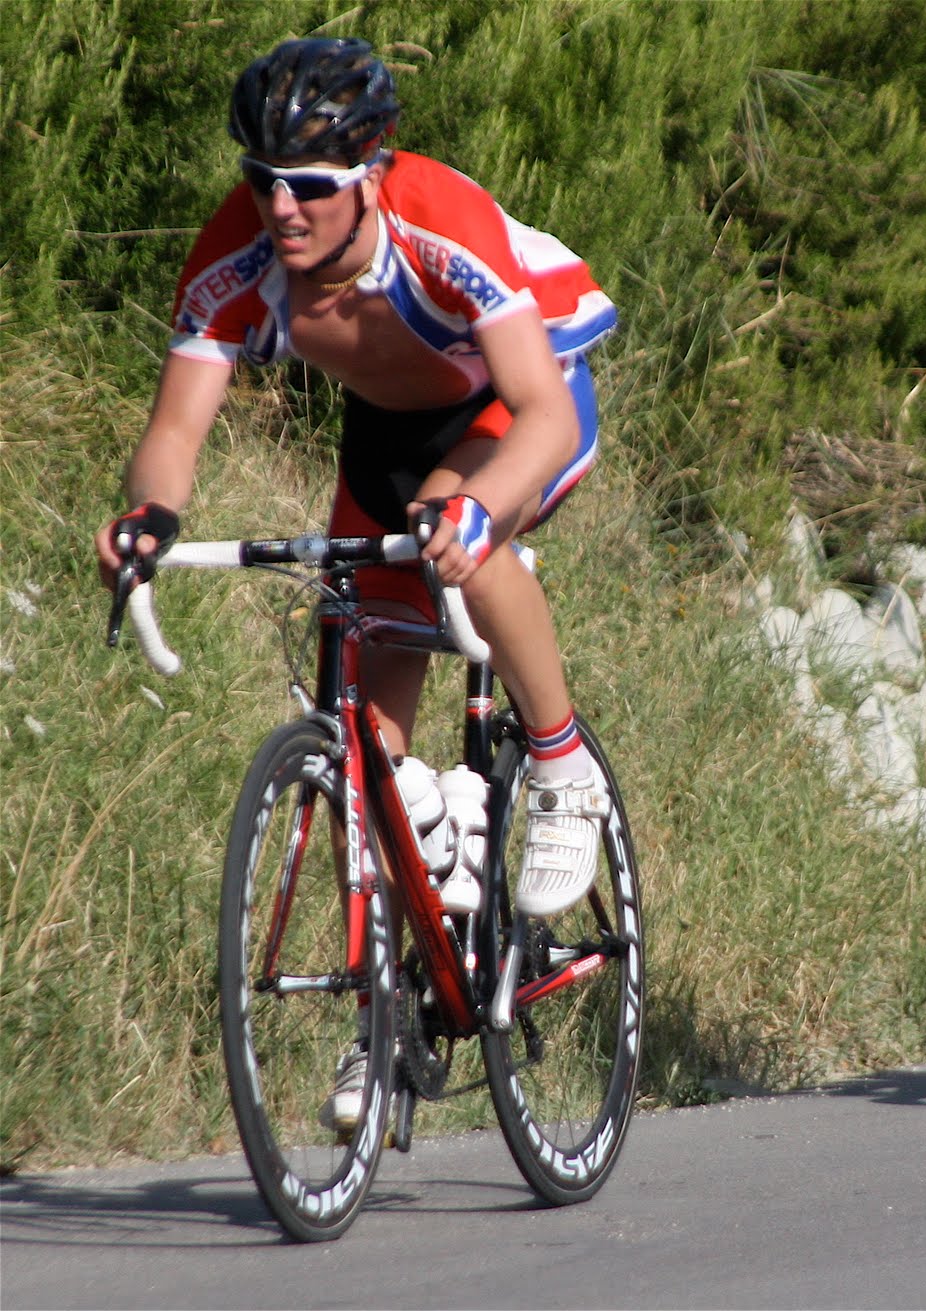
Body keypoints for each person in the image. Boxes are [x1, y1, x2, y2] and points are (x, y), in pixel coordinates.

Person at [94, 37, 618, 1126]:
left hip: (526, 400)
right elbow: (174, 433)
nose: (281, 207)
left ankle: (563, 769)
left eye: (310, 185)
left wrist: (481, 506)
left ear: (371, 173)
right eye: (262, 180)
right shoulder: (238, 250)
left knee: (459, 532)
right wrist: (148, 519)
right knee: (367, 745)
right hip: (387, 434)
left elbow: (542, 414)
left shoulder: (438, 219)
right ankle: (392, 1007)